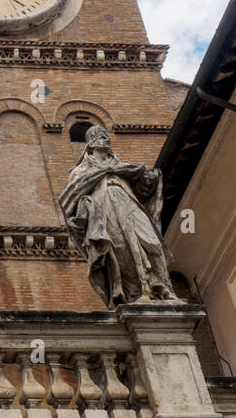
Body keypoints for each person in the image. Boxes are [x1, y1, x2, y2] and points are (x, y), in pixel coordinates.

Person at [60, 126, 178, 307]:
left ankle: (162, 286)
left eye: (106, 137)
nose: (106, 140)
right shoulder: (80, 171)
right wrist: (83, 209)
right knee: (122, 249)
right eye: (100, 138)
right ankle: (139, 293)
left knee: (152, 243)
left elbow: (143, 189)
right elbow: (69, 199)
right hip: (105, 207)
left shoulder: (121, 166)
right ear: (91, 144)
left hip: (129, 203)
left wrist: (148, 177)